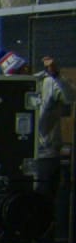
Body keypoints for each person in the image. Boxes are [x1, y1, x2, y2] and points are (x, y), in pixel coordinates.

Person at [35, 55, 73, 198]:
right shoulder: (9, 89)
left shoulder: (47, 83)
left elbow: (70, 97)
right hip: (19, 155)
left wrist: (56, 75)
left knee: (45, 201)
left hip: (46, 155)